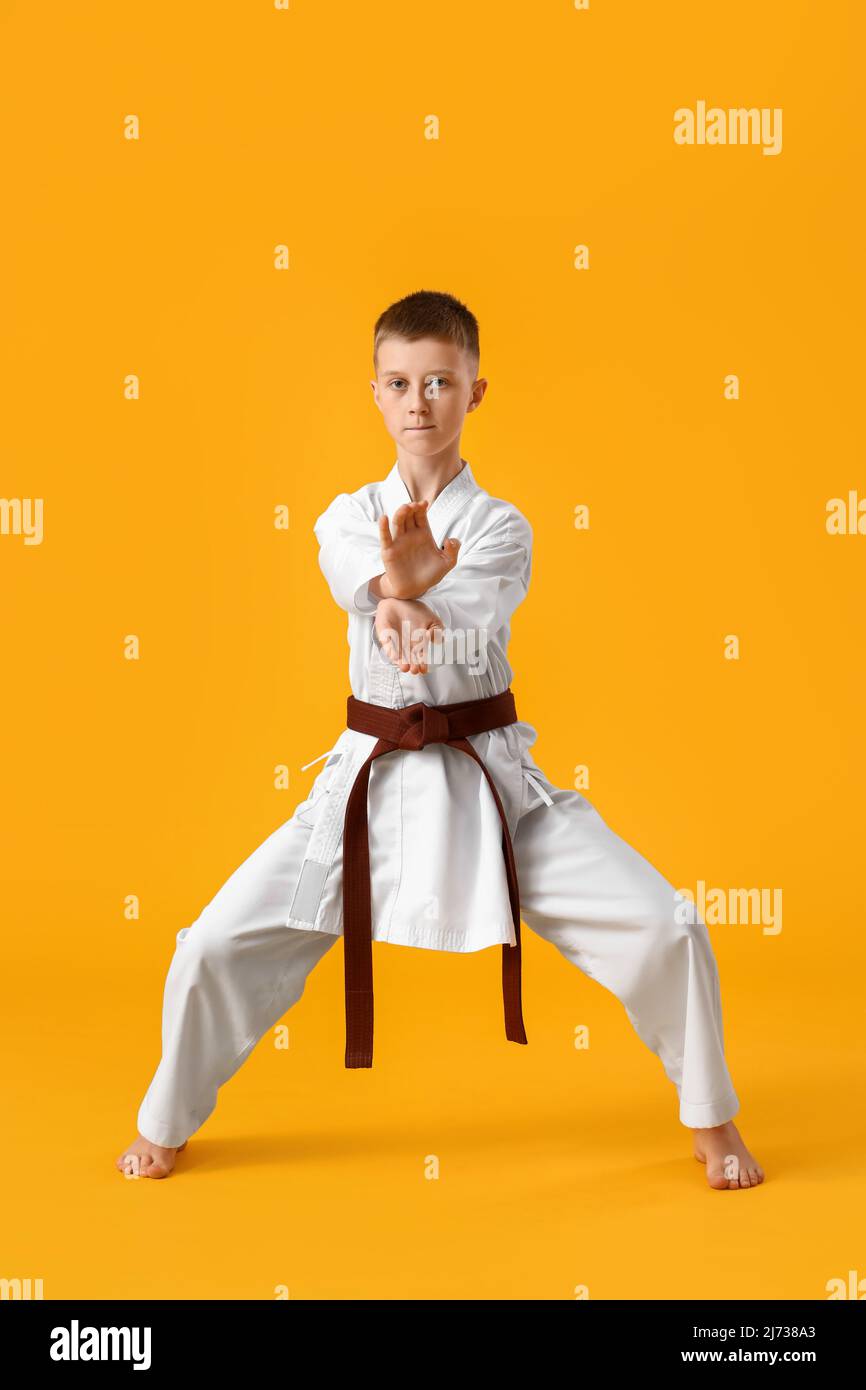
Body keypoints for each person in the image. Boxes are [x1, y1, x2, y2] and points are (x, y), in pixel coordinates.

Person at [117, 289, 764, 1189]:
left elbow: (467, 612)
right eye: (399, 382)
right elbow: (360, 580)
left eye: (439, 381)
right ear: (375, 396)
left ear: (474, 393)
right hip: (364, 791)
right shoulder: (345, 515)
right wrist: (392, 589)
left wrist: (417, 599)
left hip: (494, 790)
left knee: (670, 927)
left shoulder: (500, 527)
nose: (419, 399)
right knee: (210, 946)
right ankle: (166, 1119)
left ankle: (713, 1123)